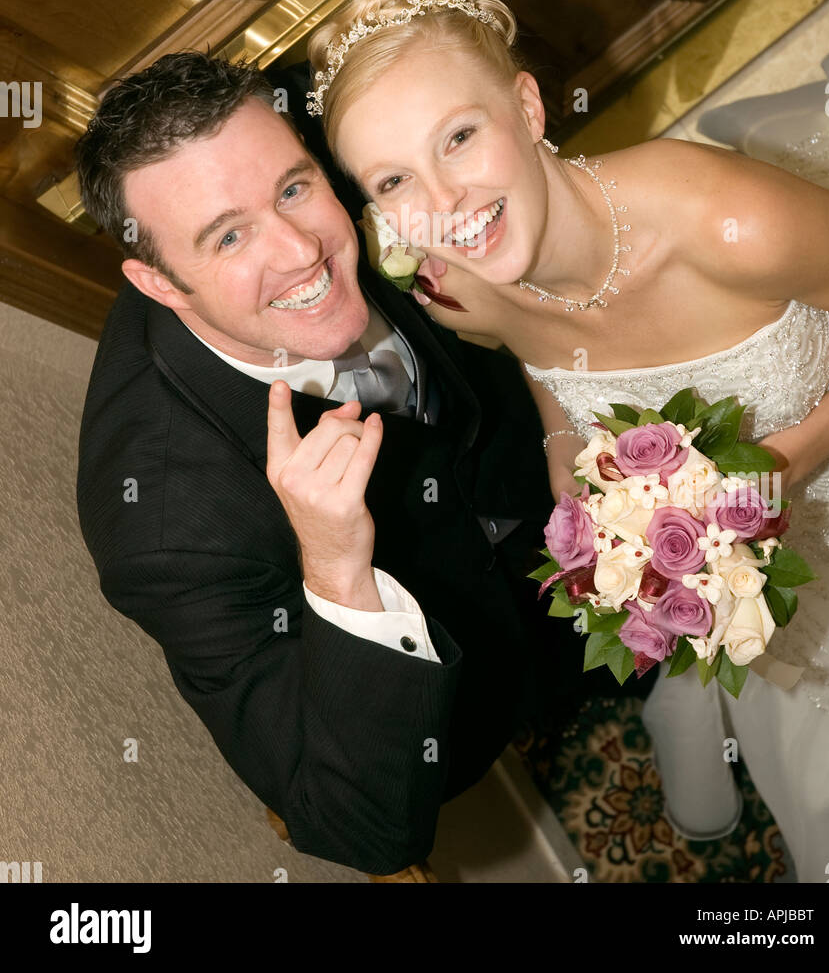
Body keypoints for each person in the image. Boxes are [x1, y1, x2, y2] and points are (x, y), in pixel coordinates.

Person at [307, 0, 829, 881]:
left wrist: (786, 463)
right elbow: (548, 371)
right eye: (396, 178)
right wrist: (570, 463)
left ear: (527, 107)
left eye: (459, 136)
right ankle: (691, 696)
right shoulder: (461, 288)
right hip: (767, 558)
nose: (443, 203)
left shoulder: (733, 226)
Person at [73, 51, 644, 879]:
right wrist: (337, 569)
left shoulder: (332, 112)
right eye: (229, 236)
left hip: (553, 464)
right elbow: (357, 827)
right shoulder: (167, 528)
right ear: (158, 284)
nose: (304, 251)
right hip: (473, 680)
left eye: (295, 189)